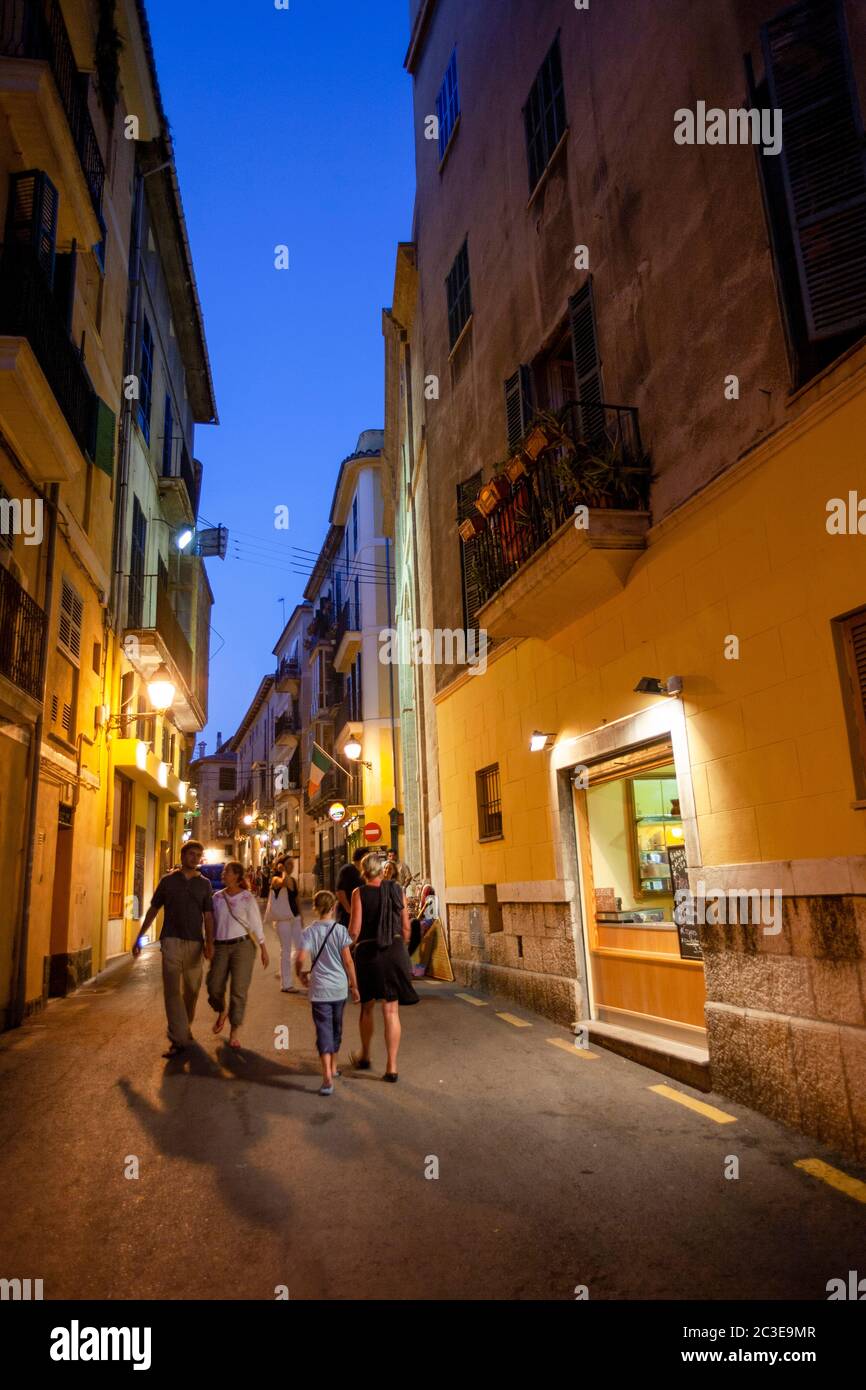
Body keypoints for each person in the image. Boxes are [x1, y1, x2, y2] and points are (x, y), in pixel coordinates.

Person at [134, 840, 215, 1059]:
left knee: (192, 990)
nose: (195, 858)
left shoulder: (205, 884)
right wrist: (140, 936)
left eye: (198, 855)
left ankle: (183, 1029)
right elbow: (153, 908)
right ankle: (177, 1037)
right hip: (170, 941)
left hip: (195, 944)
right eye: (191, 854)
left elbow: (208, 915)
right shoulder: (168, 882)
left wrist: (209, 943)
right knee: (172, 991)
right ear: (182, 856)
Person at [348, 851, 419, 1082]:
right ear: (381, 869)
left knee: (367, 1008)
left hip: (369, 953)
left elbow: (355, 930)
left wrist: (347, 949)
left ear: (363, 871)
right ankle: (392, 1066)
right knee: (391, 1010)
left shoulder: (359, 893)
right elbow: (407, 927)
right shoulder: (397, 890)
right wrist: (401, 947)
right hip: (394, 950)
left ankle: (366, 1054)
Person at [296, 890, 360, 1096]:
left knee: (324, 1031)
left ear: (315, 908)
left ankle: (327, 1078)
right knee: (336, 1029)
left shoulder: (309, 932)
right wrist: (354, 985)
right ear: (333, 908)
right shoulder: (341, 931)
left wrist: (301, 975)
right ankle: (333, 1066)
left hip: (319, 990)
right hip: (339, 990)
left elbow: (300, 959)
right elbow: (348, 961)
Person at [208, 862, 269, 1050]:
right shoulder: (217, 898)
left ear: (236, 876)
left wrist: (263, 947)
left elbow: (256, 923)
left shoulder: (246, 897)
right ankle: (222, 1009)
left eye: (227, 871)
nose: (223, 874)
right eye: (224, 871)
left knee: (238, 991)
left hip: (243, 946)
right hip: (220, 947)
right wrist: (208, 942)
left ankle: (234, 1031)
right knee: (214, 985)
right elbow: (210, 923)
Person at [265, 857, 304, 993]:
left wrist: (301, 917)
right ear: (281, 866)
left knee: (301, 947)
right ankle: (286, 984)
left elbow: (297, 899)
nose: (291, 867)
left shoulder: (293, 880)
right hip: (283, 920)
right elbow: (285, 882)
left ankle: (282, 970)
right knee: (286, 950)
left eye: (292, 864)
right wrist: (282, 871)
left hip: (295, 918)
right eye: (288, 864)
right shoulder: (276, 879)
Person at [335, 846, 366, 927]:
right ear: (361, 857)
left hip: (359, 911)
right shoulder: (347, 869)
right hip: (347, 913)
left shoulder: (364, 871)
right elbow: (340, 890)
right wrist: (348, 909)